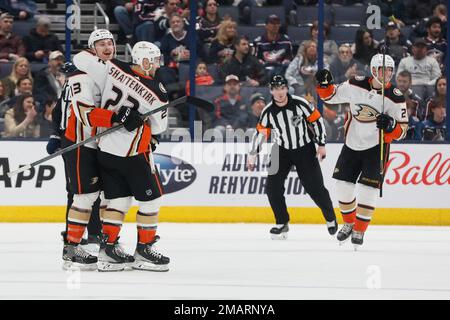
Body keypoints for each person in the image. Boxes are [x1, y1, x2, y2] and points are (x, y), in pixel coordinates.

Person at [73, 41, 170, 272]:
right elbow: (159, 128)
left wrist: (116, 114)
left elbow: (79, 59)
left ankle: (108, 251)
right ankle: (144, 250)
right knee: (152, 200)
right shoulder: (158, 92)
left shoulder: (112, 66)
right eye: (155, 60)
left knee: (118, 201)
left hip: (105, 150)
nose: (157, 65)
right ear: (145, 61)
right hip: (133, 154)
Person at [315, 53, 408, 249]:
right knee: (342, 186)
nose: (387, 74)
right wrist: (324, 85)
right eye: (383, 70)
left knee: (368, 189)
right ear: (374, 70)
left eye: (390, 70)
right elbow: (331, 96)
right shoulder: (355, 84)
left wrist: (391, 126)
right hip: (352, 145)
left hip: (377, 147)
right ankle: (349, 223)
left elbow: (402, 131)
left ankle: (360, 229)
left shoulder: (395, 97)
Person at [58, 29, 122, 271]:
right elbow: (85, 115)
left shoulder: (115, 73)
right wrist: (118, 117)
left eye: (110, 43)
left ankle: (107, 244)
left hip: (105, 144)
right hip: (80, 144)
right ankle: (72, 248)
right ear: (92, 49)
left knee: (108, 196)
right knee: (84, 196)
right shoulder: (79, 76)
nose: (107, 47)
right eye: (101, 44)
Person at [247, 74, 337, 240]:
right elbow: (261, 133)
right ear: (271, 91)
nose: (280, 92)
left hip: (305, 149)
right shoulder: (268, 112)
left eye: (282, 88)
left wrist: (321, 144)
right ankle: (282, 223)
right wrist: (252, 154)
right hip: (282, 150)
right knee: (272, 188)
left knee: (315, 188)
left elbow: (317, 121)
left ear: (287, 89)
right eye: (276, 89)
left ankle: (330, 218)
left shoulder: (300, 103)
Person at [397, 38, 441, 102]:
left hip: (427, 87)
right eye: (417, 47)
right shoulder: (404, 61)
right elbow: (398, 77)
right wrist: (408, 85)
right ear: (412, 49)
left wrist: (428, 84)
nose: (420, 49)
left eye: (422, 47)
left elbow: (437, 78)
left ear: (426, 49)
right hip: (410, 87)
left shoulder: (432, 61)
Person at [253, 14, 293, 79]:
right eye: (272, 23)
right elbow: (255, 59)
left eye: (277, 23)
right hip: (265, 70)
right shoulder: (258, 42)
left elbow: (289, 57)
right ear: (266, 26)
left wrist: (283, 64)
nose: (275, 26)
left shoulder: (286, 40)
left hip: (281, 70)